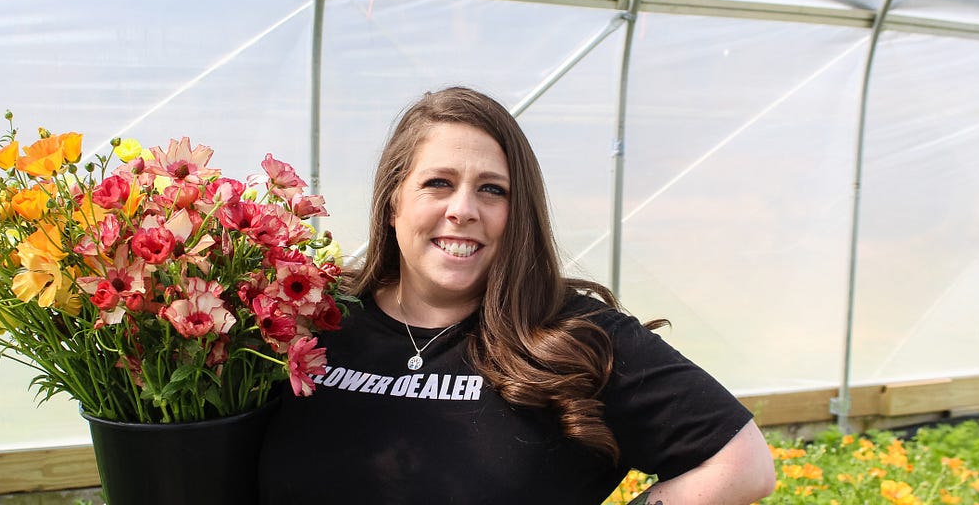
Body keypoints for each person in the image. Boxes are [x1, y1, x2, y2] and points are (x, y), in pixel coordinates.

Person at [258, 87, 776, 504]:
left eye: (492, 189)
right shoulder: (313, 320)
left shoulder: (575, 337)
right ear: (393, 203)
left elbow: (743, 464)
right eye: (438, 182)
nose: (463, 209)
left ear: (518, 213)